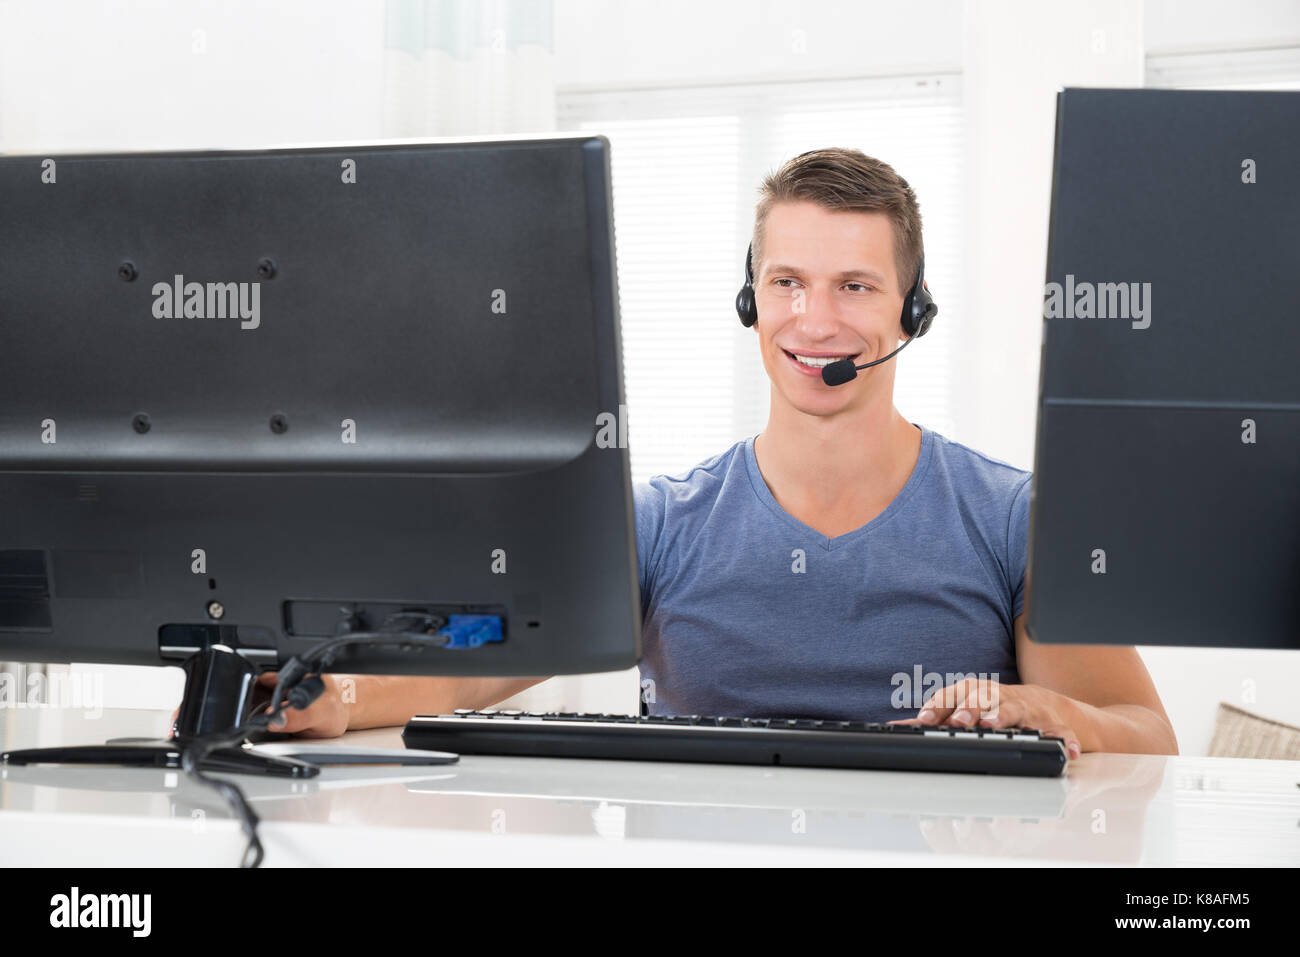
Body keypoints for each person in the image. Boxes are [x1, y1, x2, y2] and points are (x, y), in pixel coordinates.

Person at [255, 148, 1177, 757]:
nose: (816, 320)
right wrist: (333, 695)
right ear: (752, 303)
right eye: (787, 283)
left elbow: (1147, 735)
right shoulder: (663, 521)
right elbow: (480, 657)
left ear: (913, 311)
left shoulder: (1013, 517)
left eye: (855, 285)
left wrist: (1055, 713)